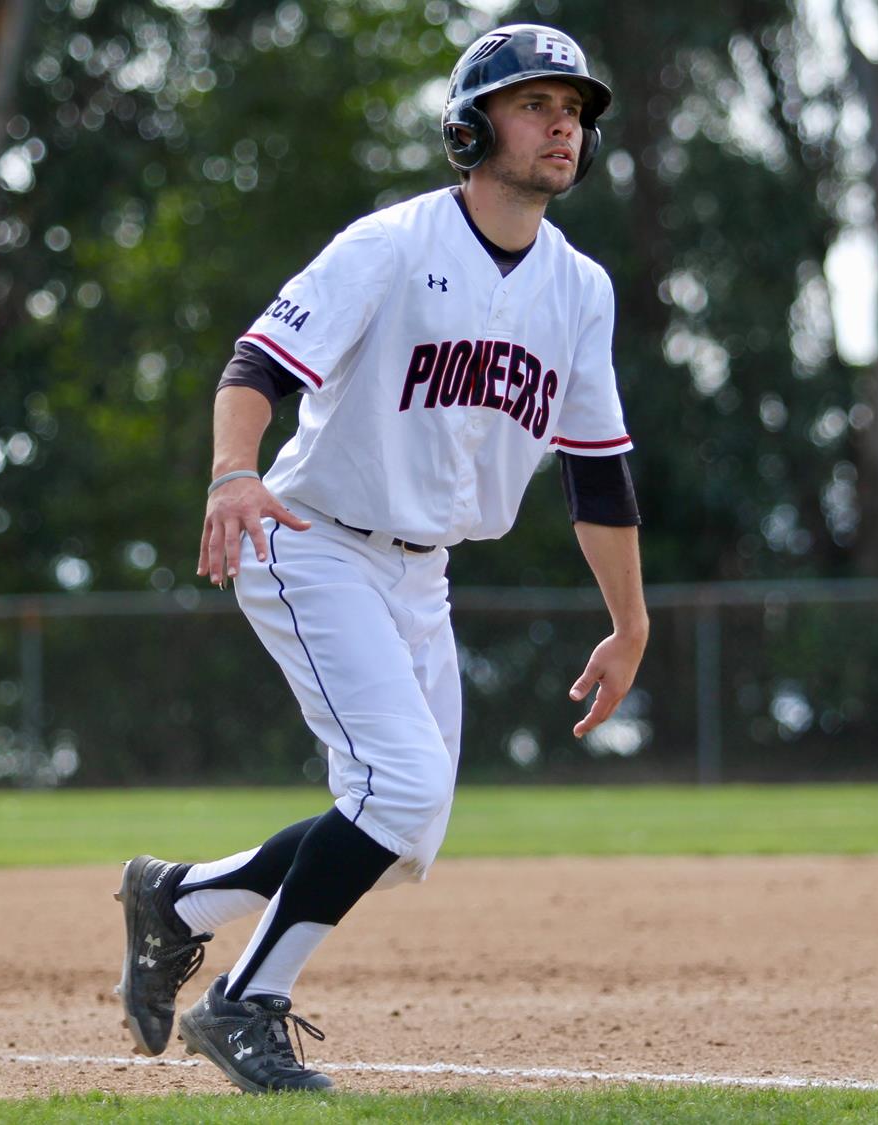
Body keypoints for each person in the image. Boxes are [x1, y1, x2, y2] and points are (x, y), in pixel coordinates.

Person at [113, 24, 647, 1093]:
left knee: (402, 837)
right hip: (311, 542)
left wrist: (629, 622)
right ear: (469, 127)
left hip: (421, 571)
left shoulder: (580, 290)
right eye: (534, 103)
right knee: (397, 784)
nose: (561, 125)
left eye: (573, 110)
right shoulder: (392, 245)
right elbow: (256, 364)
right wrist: (231, 473)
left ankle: (178, 899)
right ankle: (244, 1003)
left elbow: (598, 473)